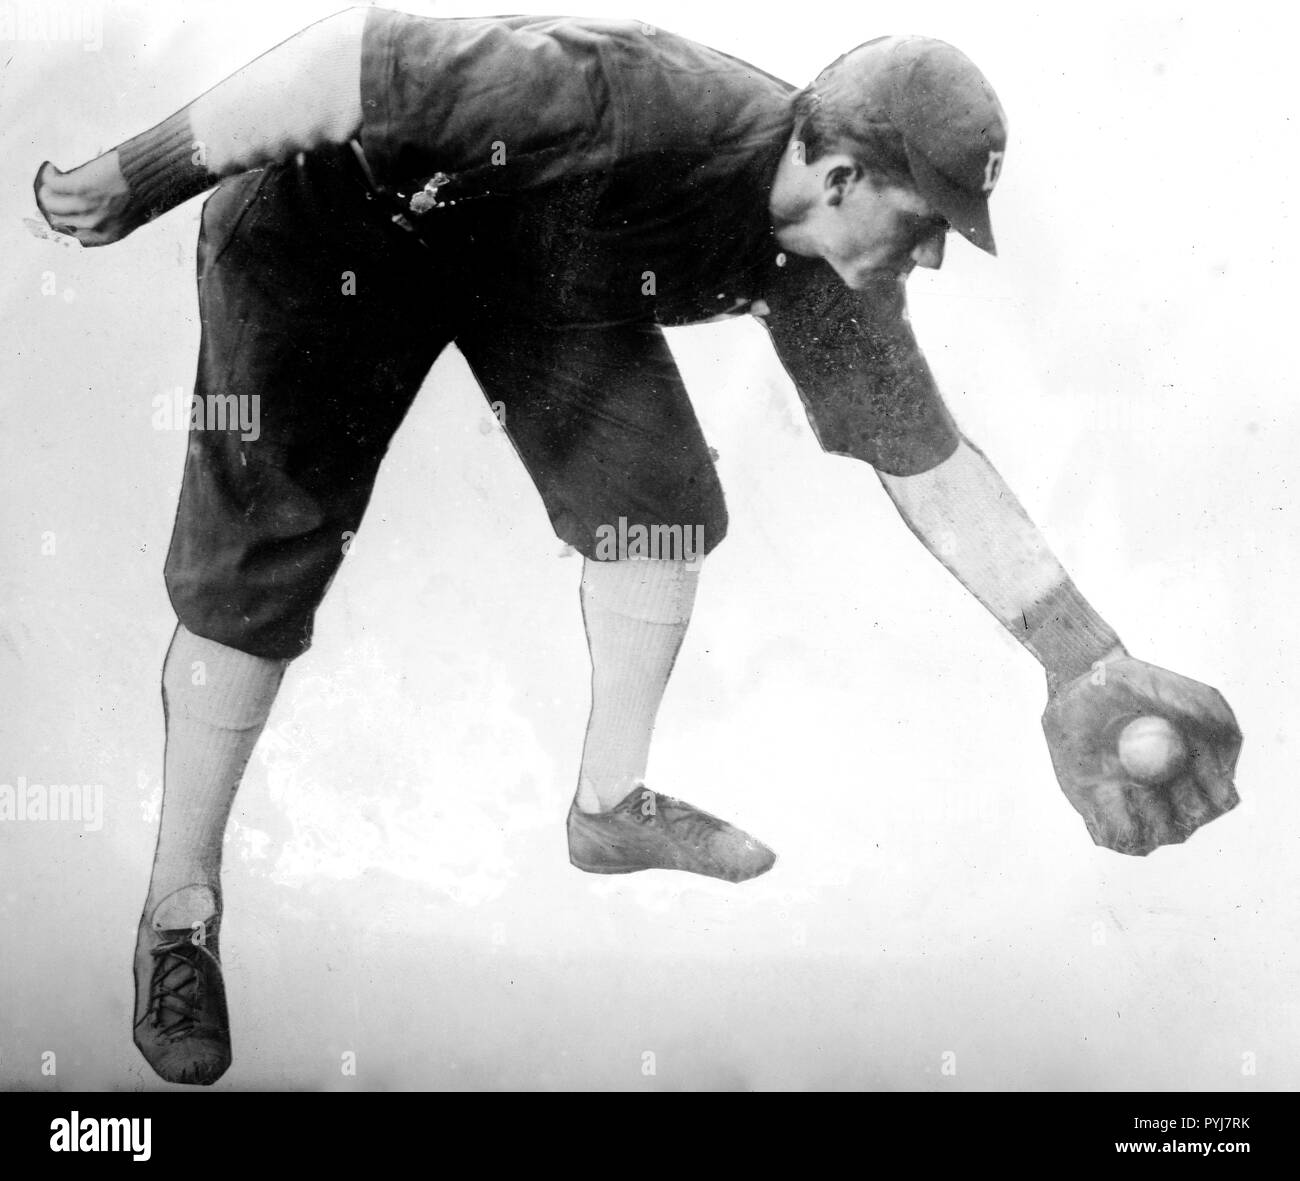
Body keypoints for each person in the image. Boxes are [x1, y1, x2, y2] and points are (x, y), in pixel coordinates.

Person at [34, 8, 1242, 1087]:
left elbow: (923, 459)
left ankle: (608, 809)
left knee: (655, 502)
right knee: (261, 562)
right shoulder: (620, 97)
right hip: (329, 233)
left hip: (527, 267)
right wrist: (133, 176)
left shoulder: (823, 260)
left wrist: (1081, 656)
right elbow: (345, 59)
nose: (928, 256)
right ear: (839, 171)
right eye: (926, 222)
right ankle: (179, 915)